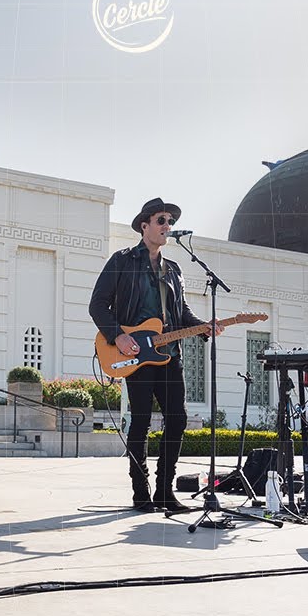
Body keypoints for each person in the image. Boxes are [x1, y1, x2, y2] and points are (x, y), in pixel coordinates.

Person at [89, 198, 221, 512]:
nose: (167, 226)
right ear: (144, 225)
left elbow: (182, 312)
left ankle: (164, 492)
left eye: (170, 221)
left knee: (178, 420)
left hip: (169, 354)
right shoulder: (121, 261)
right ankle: (141, 493)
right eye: (161, 220)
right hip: (135, 354)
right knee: (141, 422)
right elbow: (97, 305)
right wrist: (117, 336)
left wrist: (203, 326)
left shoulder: (173, 270)